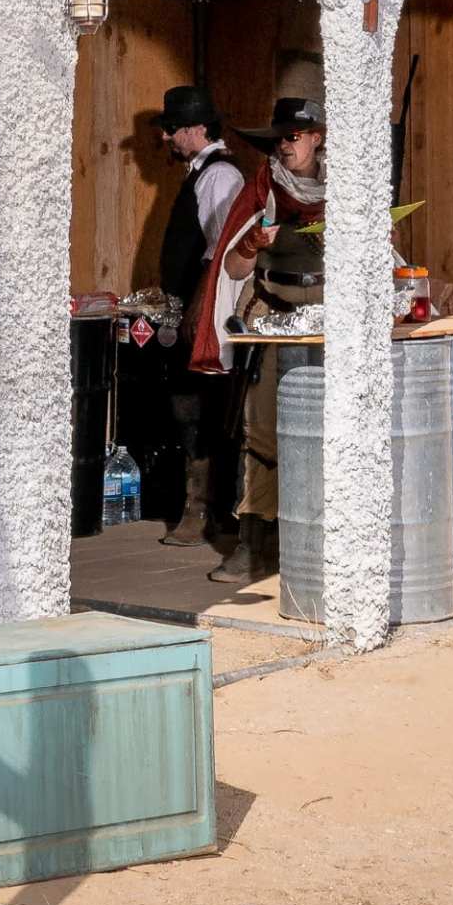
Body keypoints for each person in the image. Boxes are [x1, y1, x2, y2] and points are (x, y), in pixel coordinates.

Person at [195, 97, 328, 584]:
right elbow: (232, 265)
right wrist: (252, 243)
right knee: (263, 431)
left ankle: (320, 542)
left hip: (331, 322)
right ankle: (254, 544)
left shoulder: (348, 182)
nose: (285, 148)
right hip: (275, 319)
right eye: (278, 141)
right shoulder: (263, 185)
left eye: (293, 138)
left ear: (316, 138)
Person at [144, 86, 249, 556]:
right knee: (188, 409)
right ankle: (199, 509)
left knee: (201, 410)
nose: (167, 138)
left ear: (196, 130)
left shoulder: (219, 176)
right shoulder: (199, 175)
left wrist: (197, 309)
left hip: (207, 310)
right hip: (192, 306)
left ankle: (205, 512)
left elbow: (220, 249)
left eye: (172, 129)